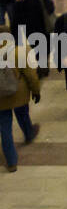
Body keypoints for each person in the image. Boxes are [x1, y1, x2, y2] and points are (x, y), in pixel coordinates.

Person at [0, 21, 39, 171]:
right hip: (18, 94)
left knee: (5, 128)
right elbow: (31, 75)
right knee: (22, 114)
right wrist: (36, 91)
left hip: (1, 98)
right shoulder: (18, 52)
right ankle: (29, 134)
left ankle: (11, 162)